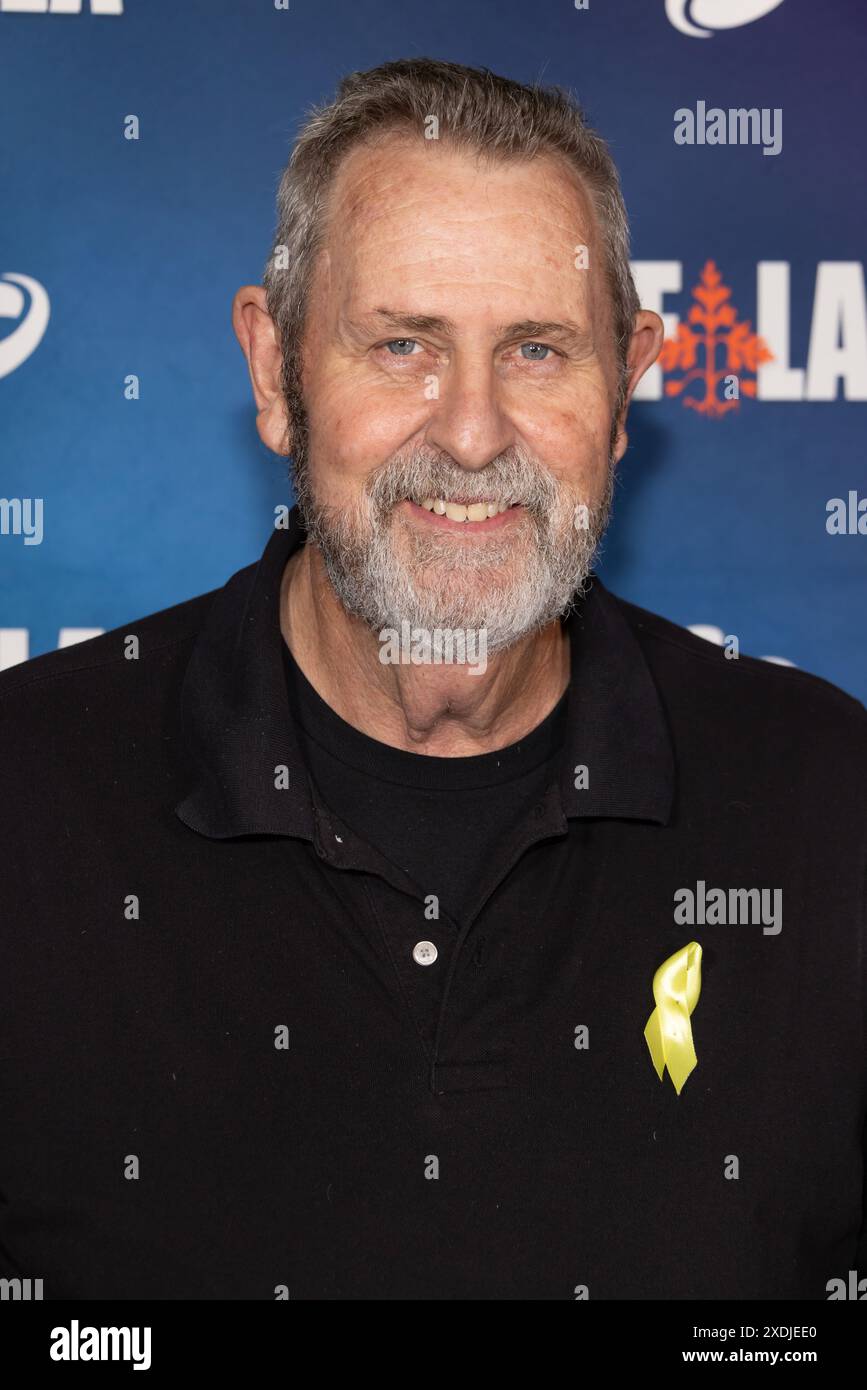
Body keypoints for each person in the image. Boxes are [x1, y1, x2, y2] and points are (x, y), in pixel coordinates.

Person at [1, 58, 865, 1301]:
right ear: (273, 373)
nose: (470, 432)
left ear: (625, 388)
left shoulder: (830, 806)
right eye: (403, 344)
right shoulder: (25, 794)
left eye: (536, 349)